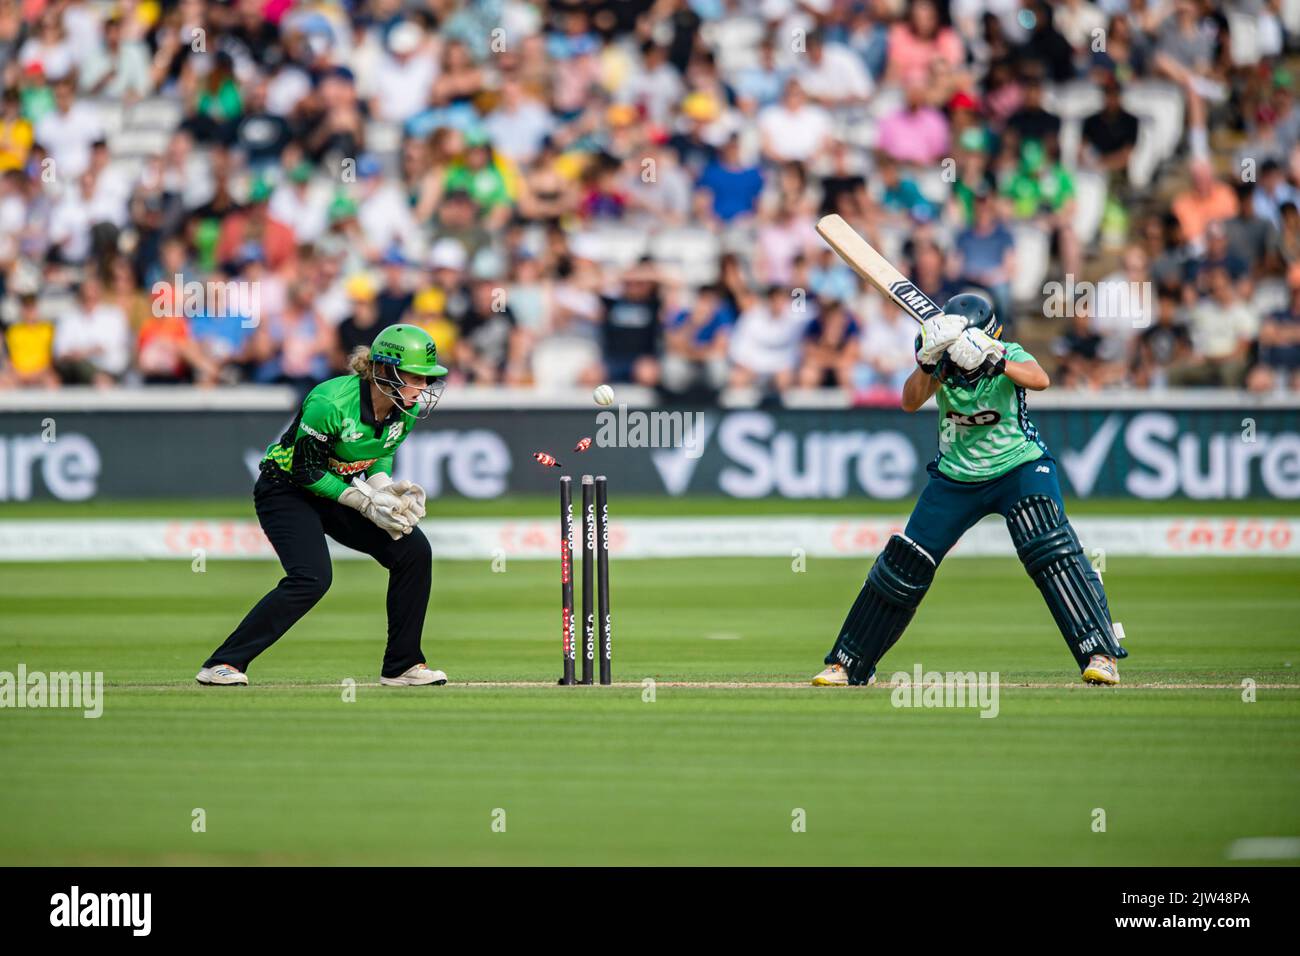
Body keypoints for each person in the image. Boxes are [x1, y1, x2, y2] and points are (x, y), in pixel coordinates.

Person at [811, 293, 1127, 688]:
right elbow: (910, 402)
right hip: (956, 477)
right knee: (902, 565)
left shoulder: (1006, 350)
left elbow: (1040, 379)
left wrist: (997, 360)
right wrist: (928, 362)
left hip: (1019, 466)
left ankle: (1100, 654)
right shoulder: (940, 357)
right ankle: (849, 663)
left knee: (1051, 551)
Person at [196, 324, 449, 688]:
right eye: (416, 377)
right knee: (312, 578)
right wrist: (364, 503)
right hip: (285, 489)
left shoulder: (403, 408)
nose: (423, 388)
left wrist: (383, 489)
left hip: (335, 488)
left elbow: (380, 453)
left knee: (414, 550)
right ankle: (224, 662)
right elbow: (305, 471)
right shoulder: (330, 403)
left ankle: (402, 665)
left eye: (428, 379)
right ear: (384, 370)